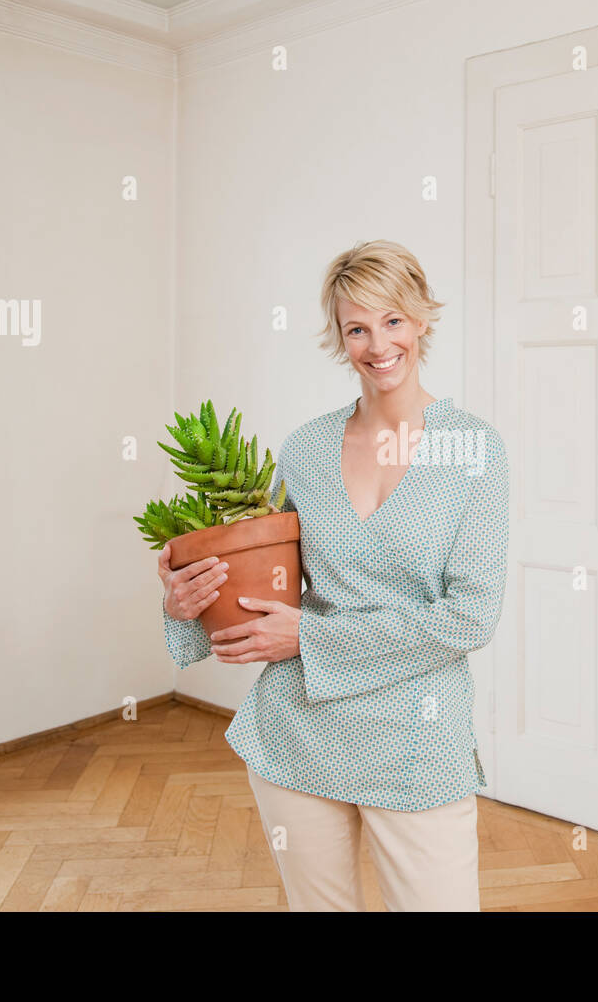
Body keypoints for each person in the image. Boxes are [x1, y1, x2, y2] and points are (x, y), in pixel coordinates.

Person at [157, 239, 510, 911]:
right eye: (357, 327)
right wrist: (185, 604)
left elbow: (470, 616)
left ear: (423, 319)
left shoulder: (476, 450)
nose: (378, 344)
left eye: (393, 321)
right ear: (339, 337)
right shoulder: (306, 449)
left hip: (414, 741)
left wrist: (311, 640)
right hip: (298, 732)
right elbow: (265, 590)